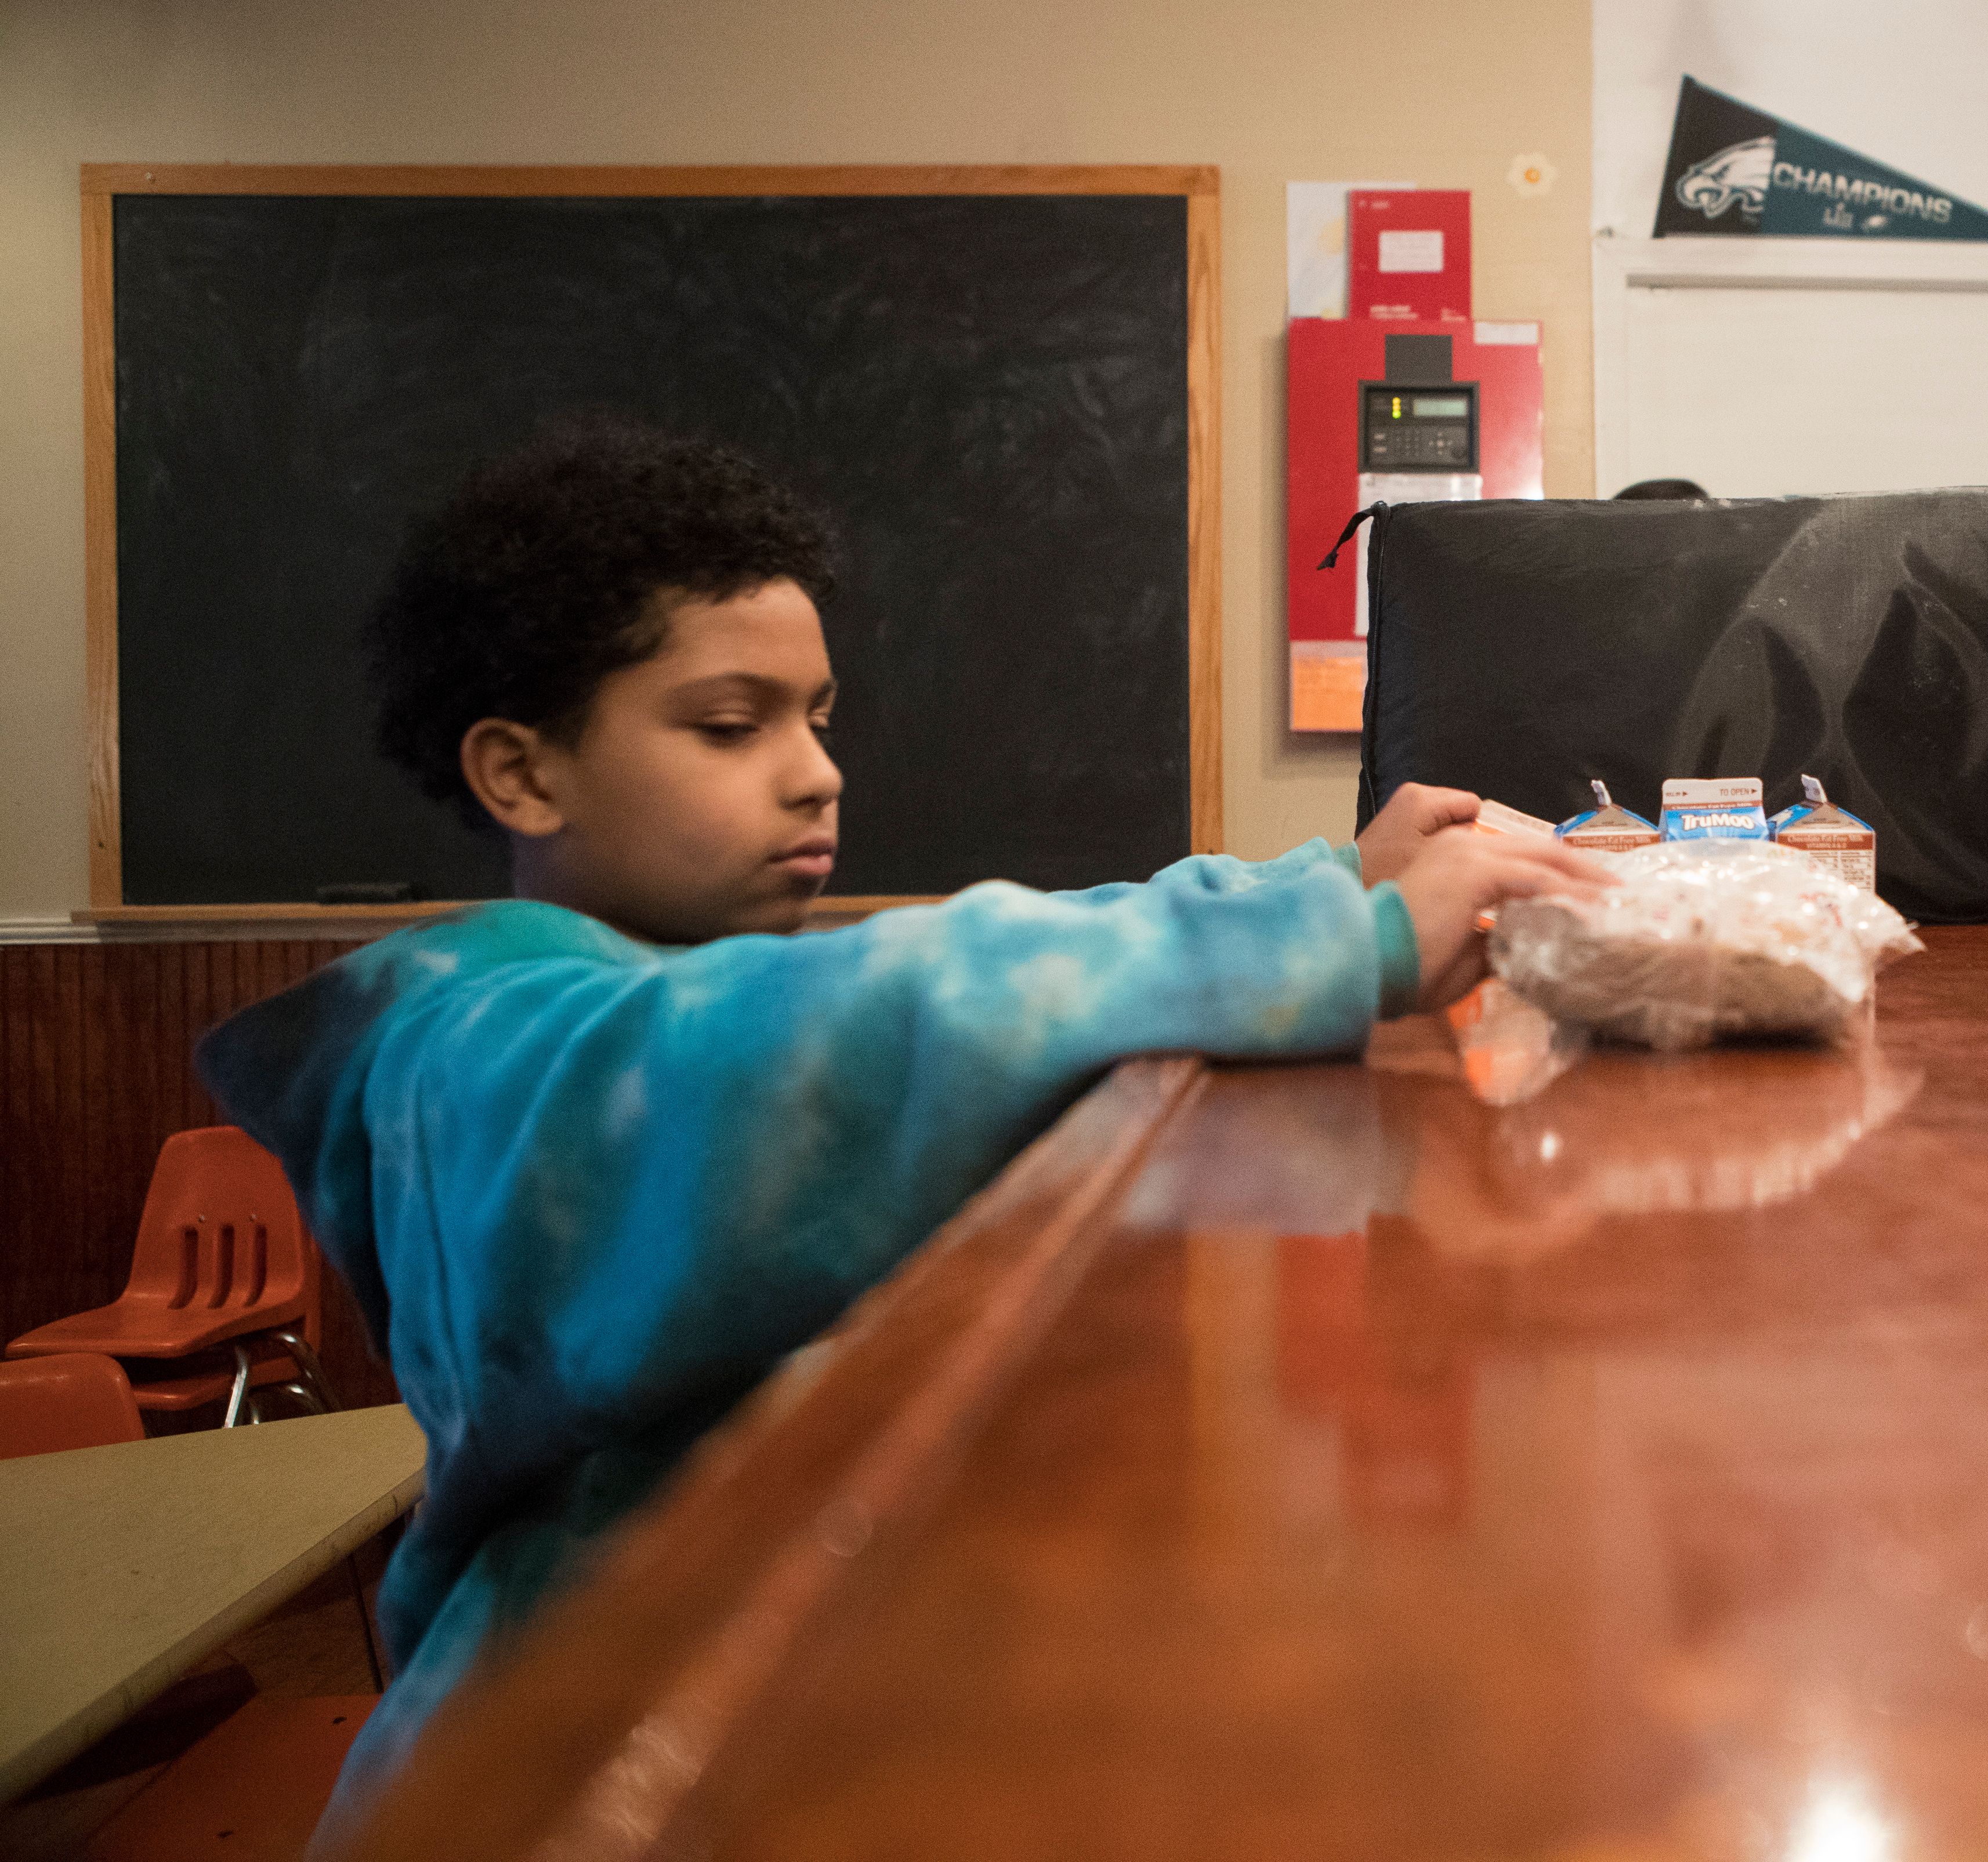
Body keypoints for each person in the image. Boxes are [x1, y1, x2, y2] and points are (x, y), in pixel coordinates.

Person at [193, 419, 1599, 1831]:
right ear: (523, 775)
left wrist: (1325, 880)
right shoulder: (465, 1047)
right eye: (732, 725)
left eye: (818, 716)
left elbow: (976, 959)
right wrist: (1320, 937)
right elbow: (815, 1036)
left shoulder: (674, 980)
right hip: (545, 1781)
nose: (816, 773)